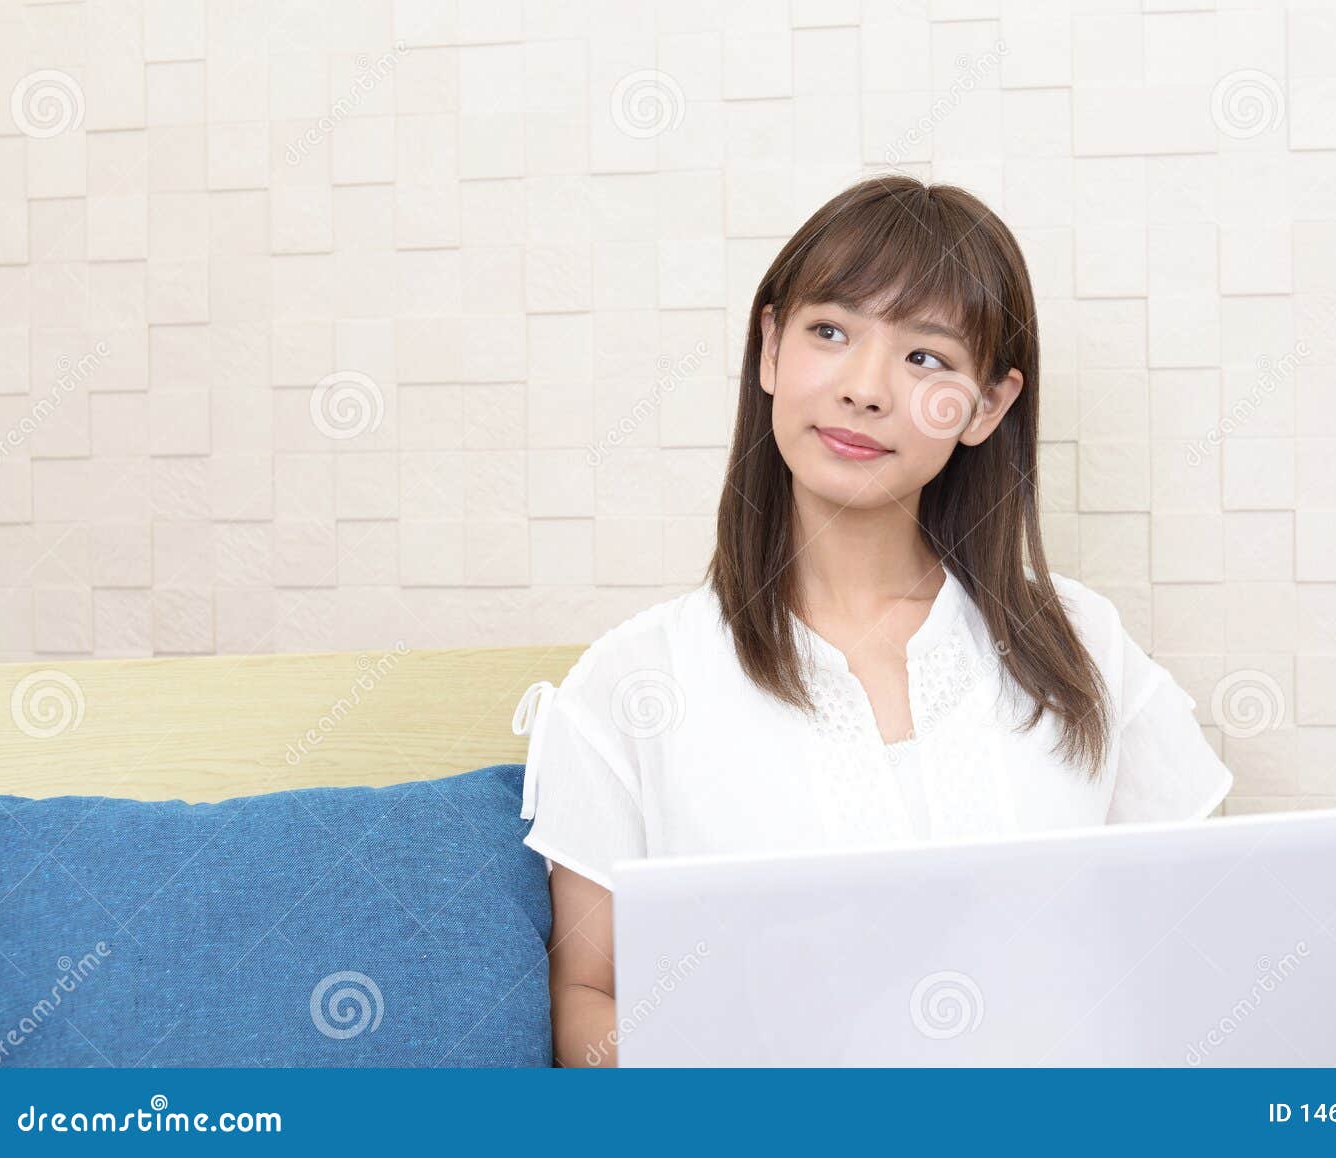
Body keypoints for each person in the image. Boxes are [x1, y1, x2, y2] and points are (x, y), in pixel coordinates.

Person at [510, 175, 1234, 1067]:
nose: (865, 388)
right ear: (770, 348)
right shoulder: (634, 682)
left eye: (925, 358)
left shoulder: (1078, 644)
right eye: (830, 332)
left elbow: (1196, 942)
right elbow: (587, 997)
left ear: (989, 407)